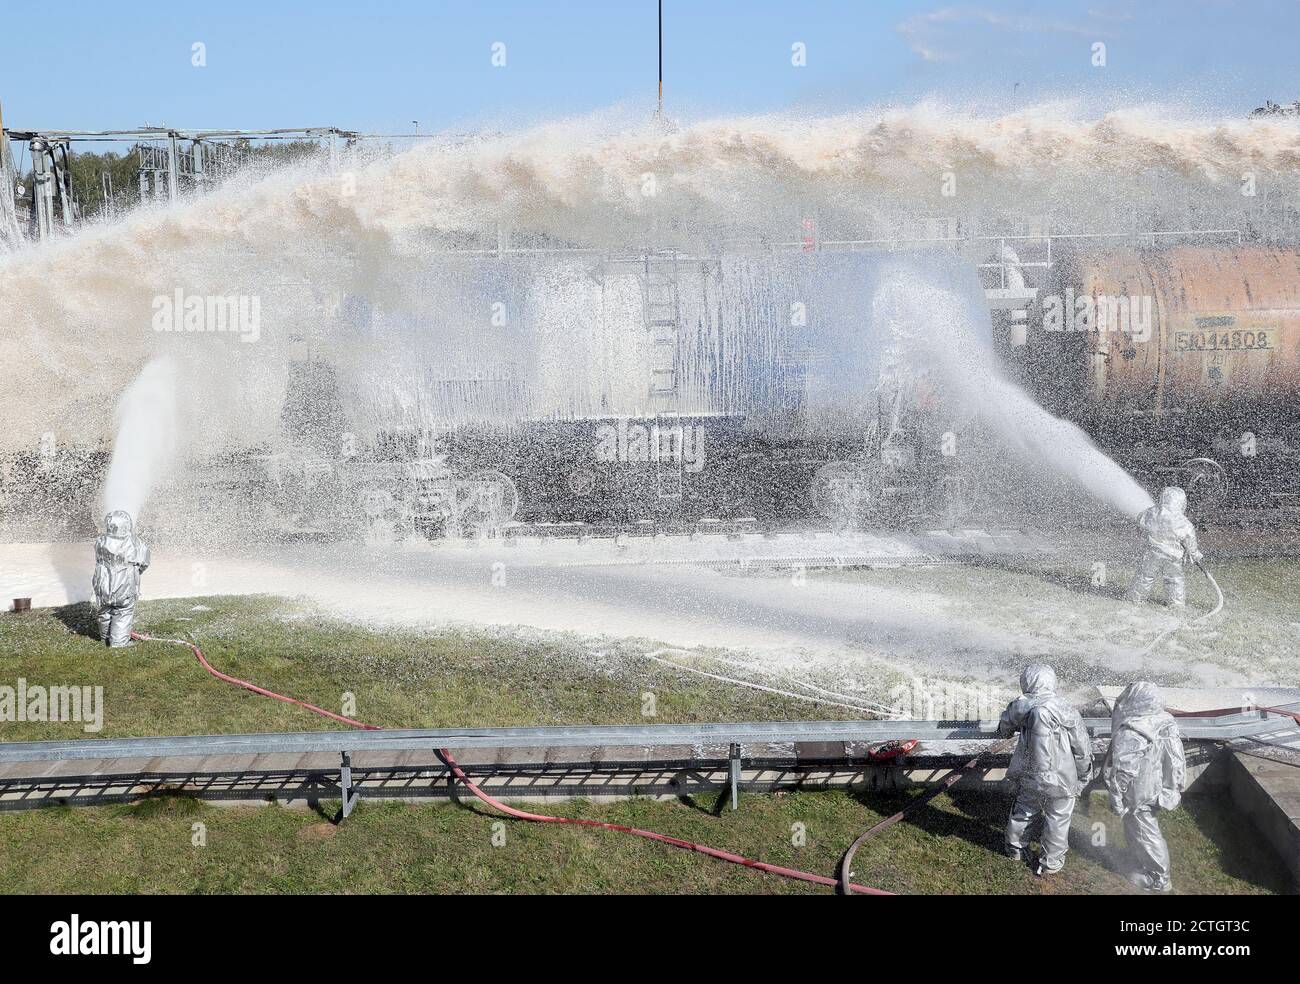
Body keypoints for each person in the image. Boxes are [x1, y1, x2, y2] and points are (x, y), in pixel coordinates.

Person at [998, 664, 1094, 875]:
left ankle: (1015, 850)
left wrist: (1007, 731)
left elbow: (1004, 726)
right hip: (1062, 776)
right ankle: (1050, 862)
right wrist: (1084, 773)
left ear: (1027, 682)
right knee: (1058, 819)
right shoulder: (1066, 708)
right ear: (1051, 682)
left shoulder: (1020, 707)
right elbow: (1081, 748)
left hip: (1030, 772)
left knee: (1024, 810)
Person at [1104, 681, 1186, 892]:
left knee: (1145, 832)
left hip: (1137, 791)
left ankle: (1158, 877)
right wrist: (1173, 787)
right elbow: (1176, 759)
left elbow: (1123, 770)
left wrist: (1116, 796)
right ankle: (1141, 862)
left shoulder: (1133, 730)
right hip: (1155, 786)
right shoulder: (1163, 722)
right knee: (1139, 828)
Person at [1126, 487, 1202, 607]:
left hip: (1151, 554)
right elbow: (1190, 542)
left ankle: (1135, 598)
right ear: (1182, 502)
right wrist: (1195, 555)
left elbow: (1140, 523)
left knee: (1145, 576)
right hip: (1173, 558)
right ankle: (1175, 604)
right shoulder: (1184, 522)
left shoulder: (1150, 512)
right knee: (1174, 580)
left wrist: (1143, 536)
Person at [91, 510, 151, 648]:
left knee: (104, 609)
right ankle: (118, 642)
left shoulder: (101, 541)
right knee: (123, 611)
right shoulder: (135, 543)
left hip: (103, 584)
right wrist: (137, 572)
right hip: (125, 584)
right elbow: (145, 561)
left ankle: (105, 636)